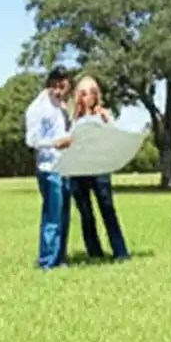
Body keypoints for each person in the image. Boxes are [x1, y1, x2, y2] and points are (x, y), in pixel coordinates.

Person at [69, 76, 130, 262]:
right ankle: (94, 252)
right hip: (78, 170)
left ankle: (120, 252)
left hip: (100, 170)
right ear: (78, 95)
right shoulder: (71, 118)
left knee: (108, 210)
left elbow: (114, 139)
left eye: (93, 92)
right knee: (86, 214)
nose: (89, 96)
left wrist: (107, 121)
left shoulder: (104, 115)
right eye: (84, 92)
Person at [24, 66, 75, 270]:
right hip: (48, 167)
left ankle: (60, 257)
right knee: (52, 215)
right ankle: (47, 261)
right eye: (57, 84)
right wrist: (55, 143)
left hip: (64, 166)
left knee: (63, 215)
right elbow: (31, 139)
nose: (61, 89)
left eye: (64, 85)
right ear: (51, 83)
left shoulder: (62, 107)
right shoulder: (38, 108)